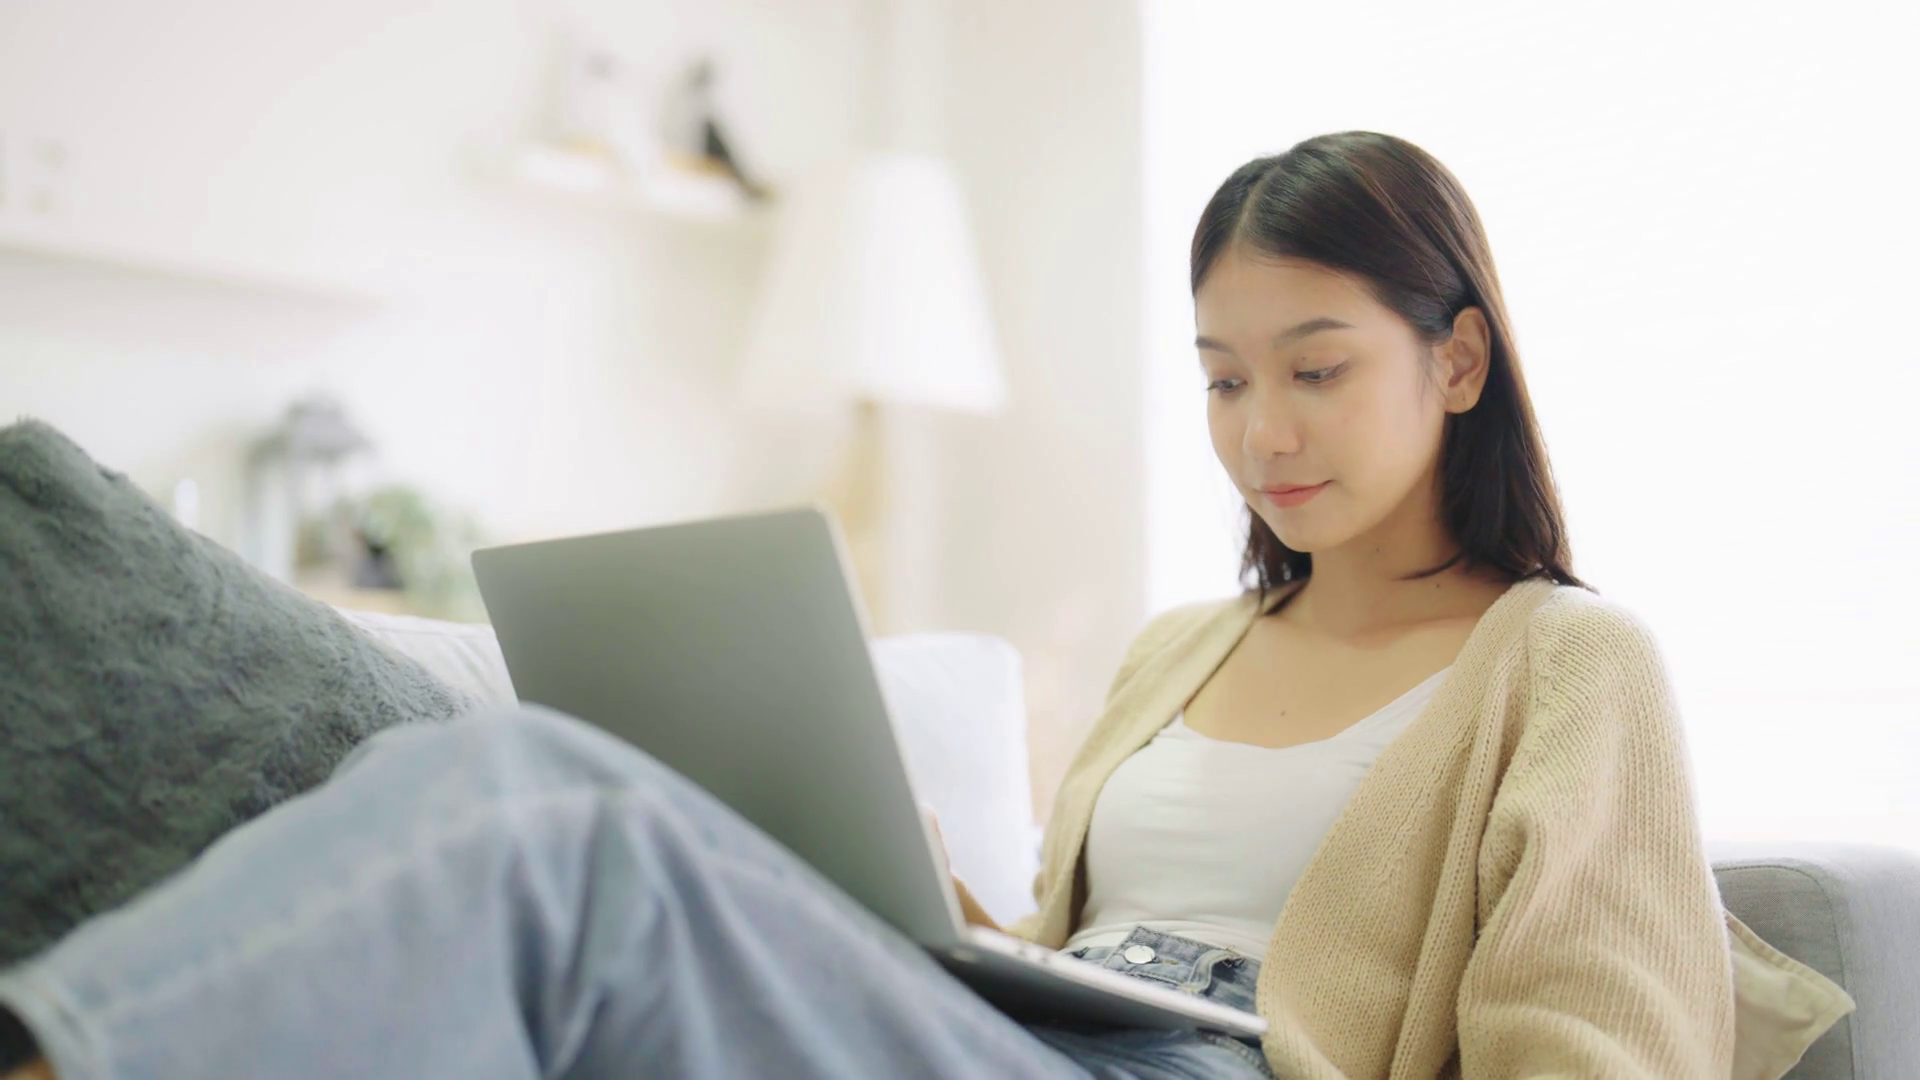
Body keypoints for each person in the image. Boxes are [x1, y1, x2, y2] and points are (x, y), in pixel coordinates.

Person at [0, 131, 1734, 1078]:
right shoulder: (1178, 652)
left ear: (1456, 360)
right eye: (1220, 378)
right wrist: (929, 893)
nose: (1259, 431)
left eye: (1315, 367)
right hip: (1037, 1039)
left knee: (535, 810)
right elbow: (1076, 971)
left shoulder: (1567, 667)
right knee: (468, 802)